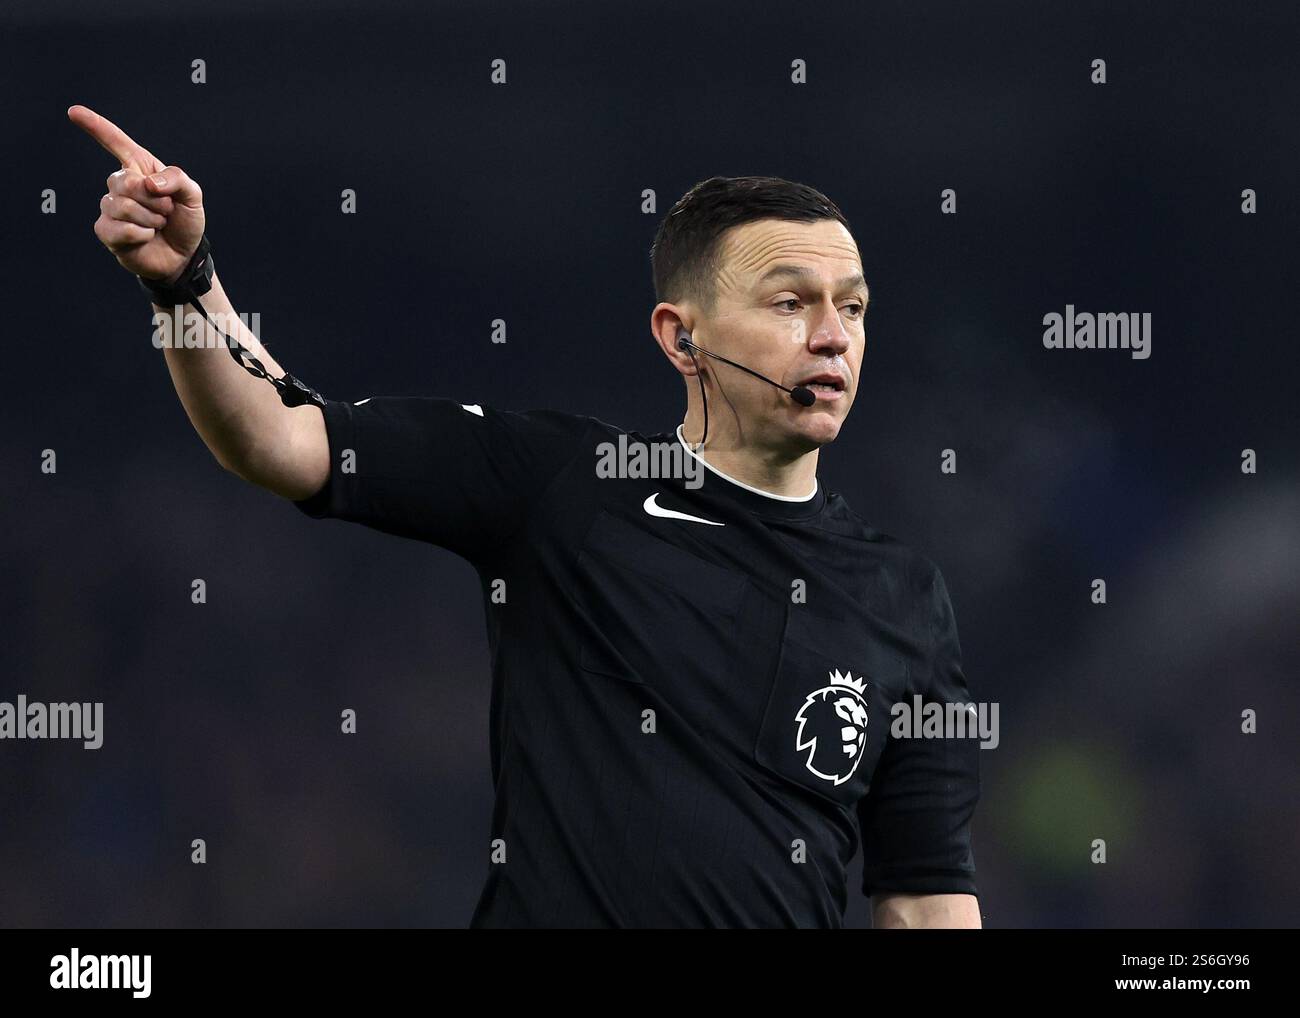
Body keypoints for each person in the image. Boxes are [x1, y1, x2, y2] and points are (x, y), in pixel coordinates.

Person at [70, 103, 982, 929]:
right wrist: (184, 285)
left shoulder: (904, 598)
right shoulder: (562, 486)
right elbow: (276, 437)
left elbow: (926, 896)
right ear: (682, 337)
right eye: (791, 303)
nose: (833, 335)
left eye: (852, 308)